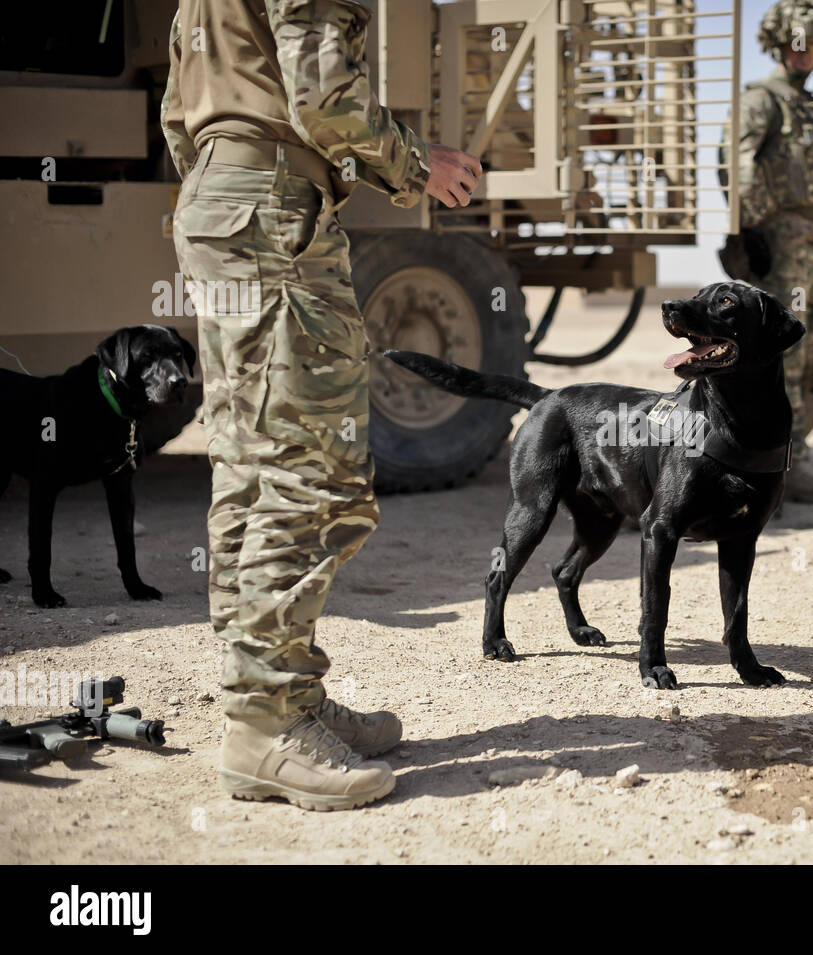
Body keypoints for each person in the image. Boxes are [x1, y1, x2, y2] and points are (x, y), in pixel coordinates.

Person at [162, 0, 481, 809]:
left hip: (222, 200)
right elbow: (321, 94)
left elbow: (177, 113)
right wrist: (418, 163)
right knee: (308, 470)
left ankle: (275, 700)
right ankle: (266, 727)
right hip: (273, 212)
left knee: (248, 466)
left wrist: (231, 178)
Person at [733, 0, 813, 504]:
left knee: (812, 355)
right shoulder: (762, 100)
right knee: (787, 357)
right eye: (797, 46)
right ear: (780, 45)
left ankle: (785, 460)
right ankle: (782, 465)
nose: (805, 57)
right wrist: (753, 226)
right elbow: (738, 164)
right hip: (784, 249)